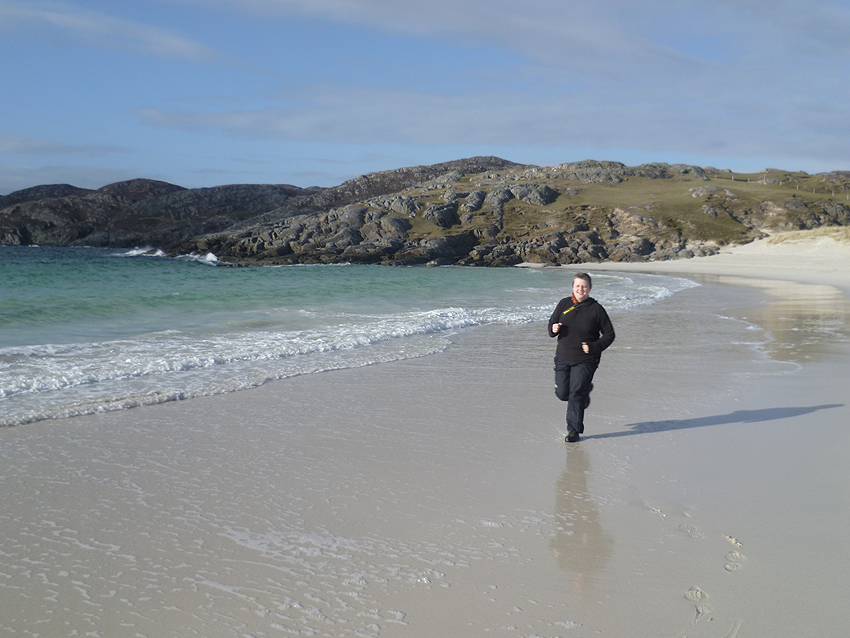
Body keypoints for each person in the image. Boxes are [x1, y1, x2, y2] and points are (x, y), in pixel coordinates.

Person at [548, 272, 615, 442]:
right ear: (573, 287)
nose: (581, 289)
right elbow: (551, 325)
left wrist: (593, 347)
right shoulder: (564, 303)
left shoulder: (596, 309)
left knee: (576, 393)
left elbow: (609, 334)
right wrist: (553, 329)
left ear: (590, 288)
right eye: (578, 286)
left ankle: (573, 430)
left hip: (586, 360)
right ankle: (584, 394)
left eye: (584, 286)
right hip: (563, 356)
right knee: (563, 394)